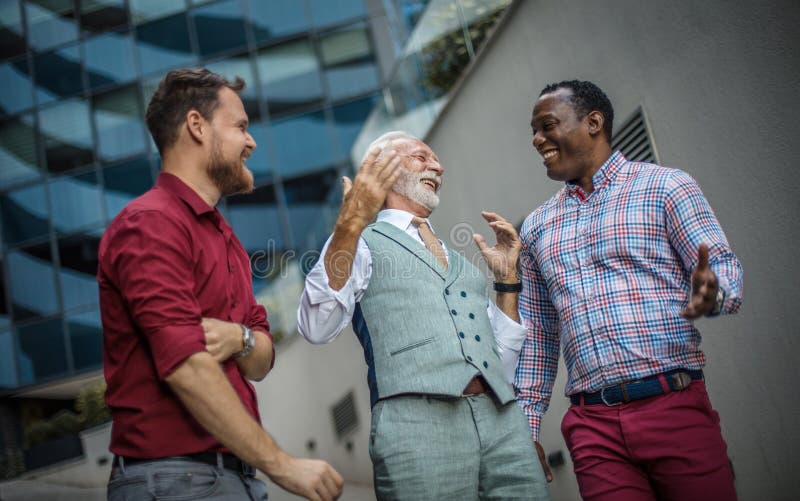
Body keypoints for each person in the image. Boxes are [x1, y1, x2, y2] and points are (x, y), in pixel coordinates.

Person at [98, 68, 343, 501]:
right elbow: (187, 365)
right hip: (174, 480)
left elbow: (261, 359)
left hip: (231, 477)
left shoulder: (223, 237)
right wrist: (282, 465)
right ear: (197, 125)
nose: (252, 142)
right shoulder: (150, 224)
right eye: (241, 127)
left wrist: (240, 338)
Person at [516, 80, 743, 500]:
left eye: (547, 125)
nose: (536, 140)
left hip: (674, 407)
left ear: (594, 122)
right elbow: (540, 338)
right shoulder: (535, 228)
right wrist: (526, 428)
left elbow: (723, 268)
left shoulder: (666, 187)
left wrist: (715, 294)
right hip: (592, 427)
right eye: (533, 130)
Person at [297, 131, 550, 500]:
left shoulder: (460, 262)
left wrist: (507, 283)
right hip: (416, 425)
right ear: (380, 168)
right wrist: (351, 222)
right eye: (421, 157)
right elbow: (316, 326)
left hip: (503, 423)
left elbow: (499, 361)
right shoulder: (359, 242)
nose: (438, 166)